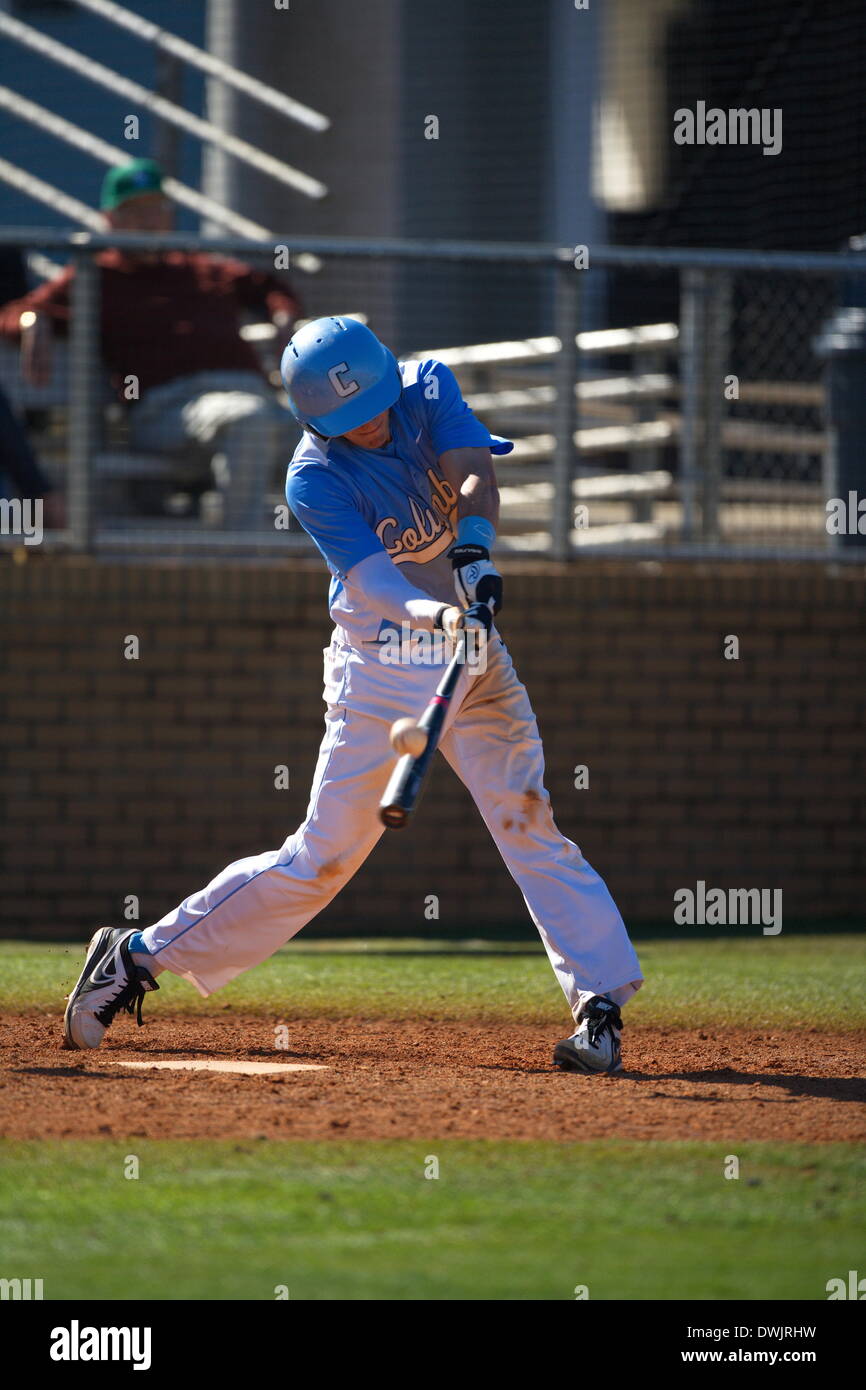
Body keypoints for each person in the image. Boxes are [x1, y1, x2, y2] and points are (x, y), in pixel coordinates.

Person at [62, 317, 643, 1075]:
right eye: (347, 417)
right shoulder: (313, 478)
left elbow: (474, 469)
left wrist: (472, 552)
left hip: (477, 655)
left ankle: (599, 1007)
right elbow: (372, 581)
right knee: (323, 860)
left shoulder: (426, 387)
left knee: (526, 819)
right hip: (383, 667)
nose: (369, 423)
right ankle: (137, 957)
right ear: (312, 418)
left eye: (373, 402)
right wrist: (439, 613)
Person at [0, 159, 302, 529]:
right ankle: (238, 557)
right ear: (110, 219)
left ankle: (351, 562)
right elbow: (21, 310)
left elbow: (269, 286)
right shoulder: (97, 273)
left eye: (156, 209)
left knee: (330, 434)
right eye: (134, 211)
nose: (148, 220)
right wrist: (33, 322)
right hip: (166, 411)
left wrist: (284, 316)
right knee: (249, 420)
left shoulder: (199, 265)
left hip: (246, 397)